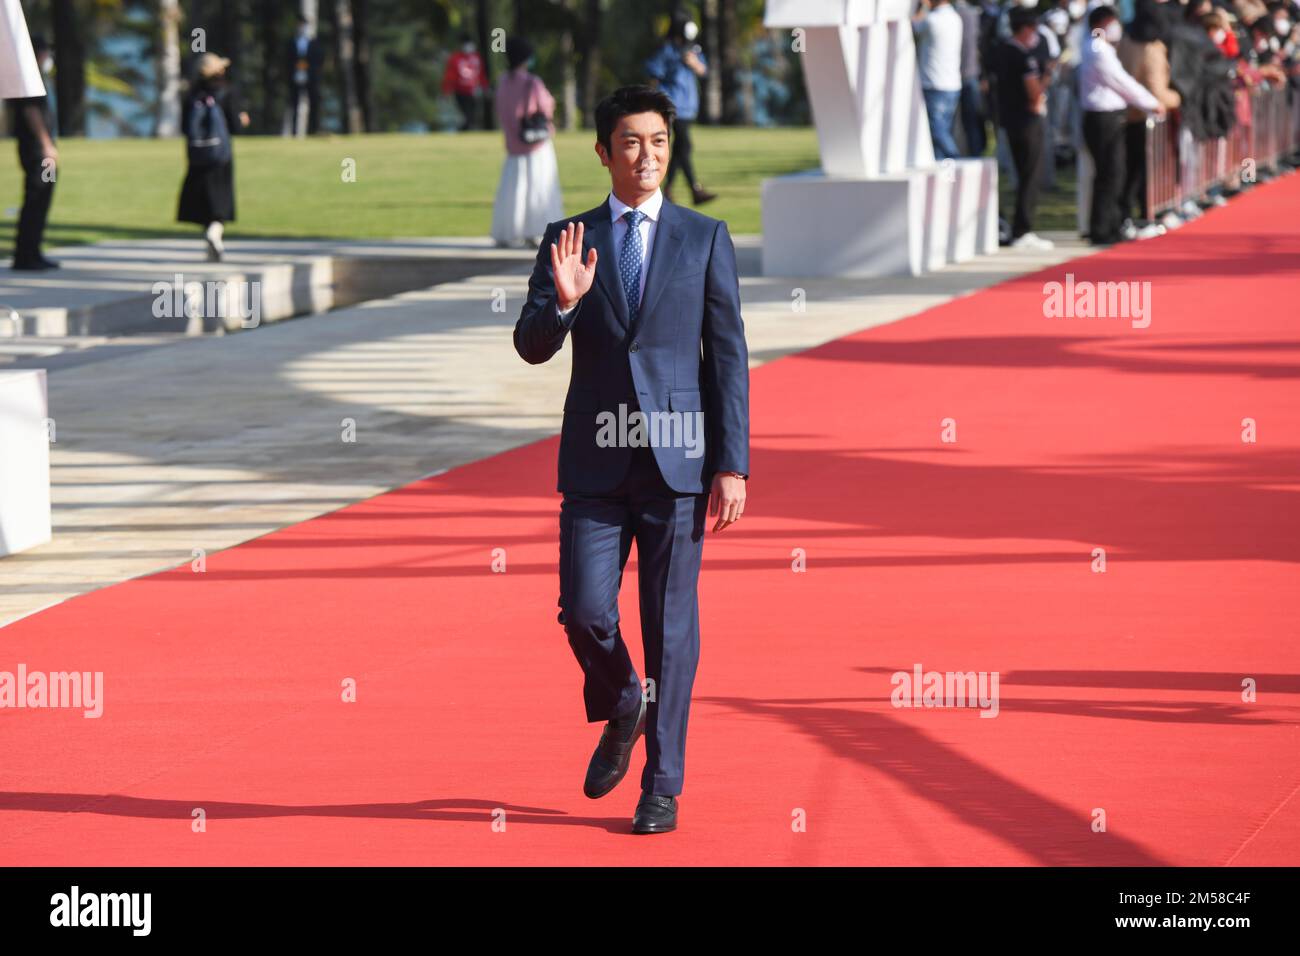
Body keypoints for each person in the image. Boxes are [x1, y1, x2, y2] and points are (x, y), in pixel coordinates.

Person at [512, 85, 749, 835]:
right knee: (583, 612)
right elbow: (531, 345)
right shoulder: (569, 236)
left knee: (669, 628)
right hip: (596, 465)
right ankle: (621, 703)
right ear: (603, 152)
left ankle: (663, 786)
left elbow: (728, 357)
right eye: (631, 143)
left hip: (679, 466)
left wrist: (732, 462)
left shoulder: (704, 236)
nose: (646, 156)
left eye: (658, 142)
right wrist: (565, 301)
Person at [1079, 5, 1164, 244]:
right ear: (1103, 23)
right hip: (1103, 118)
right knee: (1111, 174)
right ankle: (1104, 228)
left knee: (1111, 173)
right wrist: (1150, 102)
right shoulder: (1098, 50)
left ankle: (1107, 225)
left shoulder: (1098, 48)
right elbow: (1121, 82)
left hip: (1106, 117)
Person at [490, 36, 563, 248]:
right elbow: (546, 107)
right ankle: (536, 230)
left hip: (513, 144)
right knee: (540, 189)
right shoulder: (532, 82)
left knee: (513, 191)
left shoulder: (503, 81)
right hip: (536, 145)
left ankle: (508, 231)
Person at [1118, 0, 1182, 236]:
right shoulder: (1152, 48)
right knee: (1145, 172)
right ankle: (1146, 217)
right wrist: (1177, 99)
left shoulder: (1124, 41)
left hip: (1127, 115)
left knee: (1130, 170)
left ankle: (1127, 217)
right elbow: (1157, 91)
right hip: (1146, 117)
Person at [177, 53, 249, 262]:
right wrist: (242, 120)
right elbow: (235, 125)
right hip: (220, 155)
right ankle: (215, 232)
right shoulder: (226, 92)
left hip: (197, 155)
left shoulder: (192, 95)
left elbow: (184, 126)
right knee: (220, 200)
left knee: (201, 200)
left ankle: (210, 237)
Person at [995, 6, 1055, 248]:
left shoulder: (1001, 50)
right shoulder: (1022, 56)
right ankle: (1023, 228)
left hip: (1010, 119)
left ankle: (1019, 227)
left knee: (1023, 173)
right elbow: (1034, 94)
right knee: (1031, 174)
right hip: (1027, 121)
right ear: (1026, 28)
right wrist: (1048, 73)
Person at [645, 14, 717, 204]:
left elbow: (704, 71)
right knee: (684, 145)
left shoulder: (693, 50)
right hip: (671, 105)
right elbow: (653, 73)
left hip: (688, 106)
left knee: (680, 148)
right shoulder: (667, 51)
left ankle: (667, 189)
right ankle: (695, 188)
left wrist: (693, 63)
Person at [6, 33, 58, 270]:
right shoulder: (27, 80)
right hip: (38, 152)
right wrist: (47, 145)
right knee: (37, 198)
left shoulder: (30, 78)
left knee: (41, 199)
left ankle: (33, 252)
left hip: (39, 150)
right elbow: (31, 113)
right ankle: (26, 255)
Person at [914, 0, 966, 161]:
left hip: (935, 84)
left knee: (937, 132)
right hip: (951, 84)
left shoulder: (931, 20)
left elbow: (914, 24)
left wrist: (922, 6)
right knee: (941, 132)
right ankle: (945, 173)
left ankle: (956, 163)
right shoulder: (955, 18)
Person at [955, 0, 988, 156]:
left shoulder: (959, 13)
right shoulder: (975, 14)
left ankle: (972, 155)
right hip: (971, 73)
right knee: (972, 121)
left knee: (969, 121)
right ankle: (975, 154)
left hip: (962, 74)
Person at [442, 33, 489, 131]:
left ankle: (466, 130)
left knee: (472, 115)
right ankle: (464, 130)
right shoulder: (455, 58)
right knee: (466, 115)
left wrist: (485, 87)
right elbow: (450, 76)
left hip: (474, 92)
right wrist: (446, 90)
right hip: (460, 92)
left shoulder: (477, 58)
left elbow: (481, 75)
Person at [286, 15, 323, 136]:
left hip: (310, 77)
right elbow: (286, 60)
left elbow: (319, 60)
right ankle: (294, 132)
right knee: (294, 104)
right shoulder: (292, 42)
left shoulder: (314, 42)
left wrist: (308, 69)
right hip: (295, 76)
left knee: (314, 103)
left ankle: (313, 130)